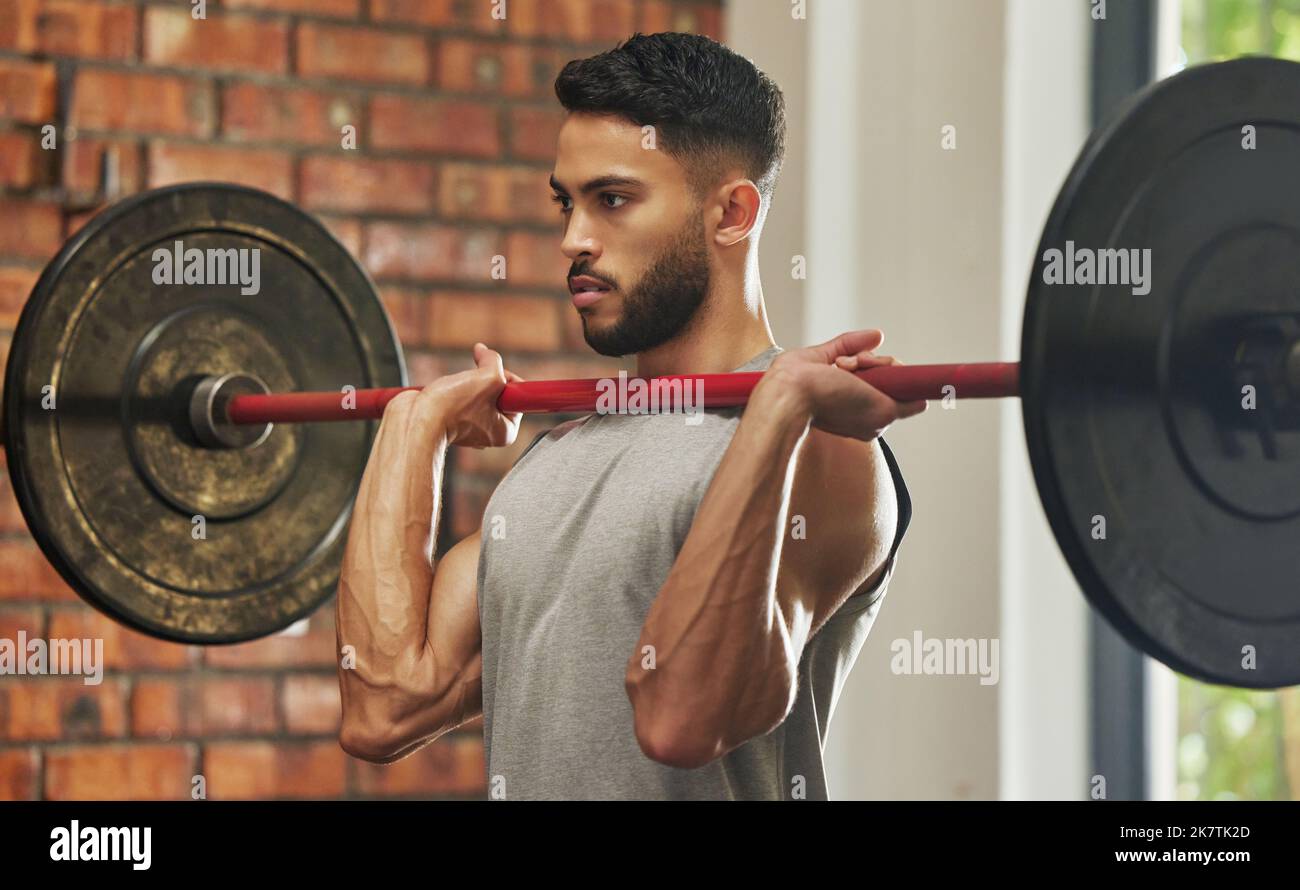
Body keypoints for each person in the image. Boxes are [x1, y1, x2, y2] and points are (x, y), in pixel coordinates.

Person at [335, 32, 926, 800]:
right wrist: (413, 431)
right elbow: (383, 709)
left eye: (612, 200)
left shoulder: (822, 446)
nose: (573, 239)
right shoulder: (554, 465)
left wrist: (778, 408)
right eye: (566, 203)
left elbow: (681, 720)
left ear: (732, 214)